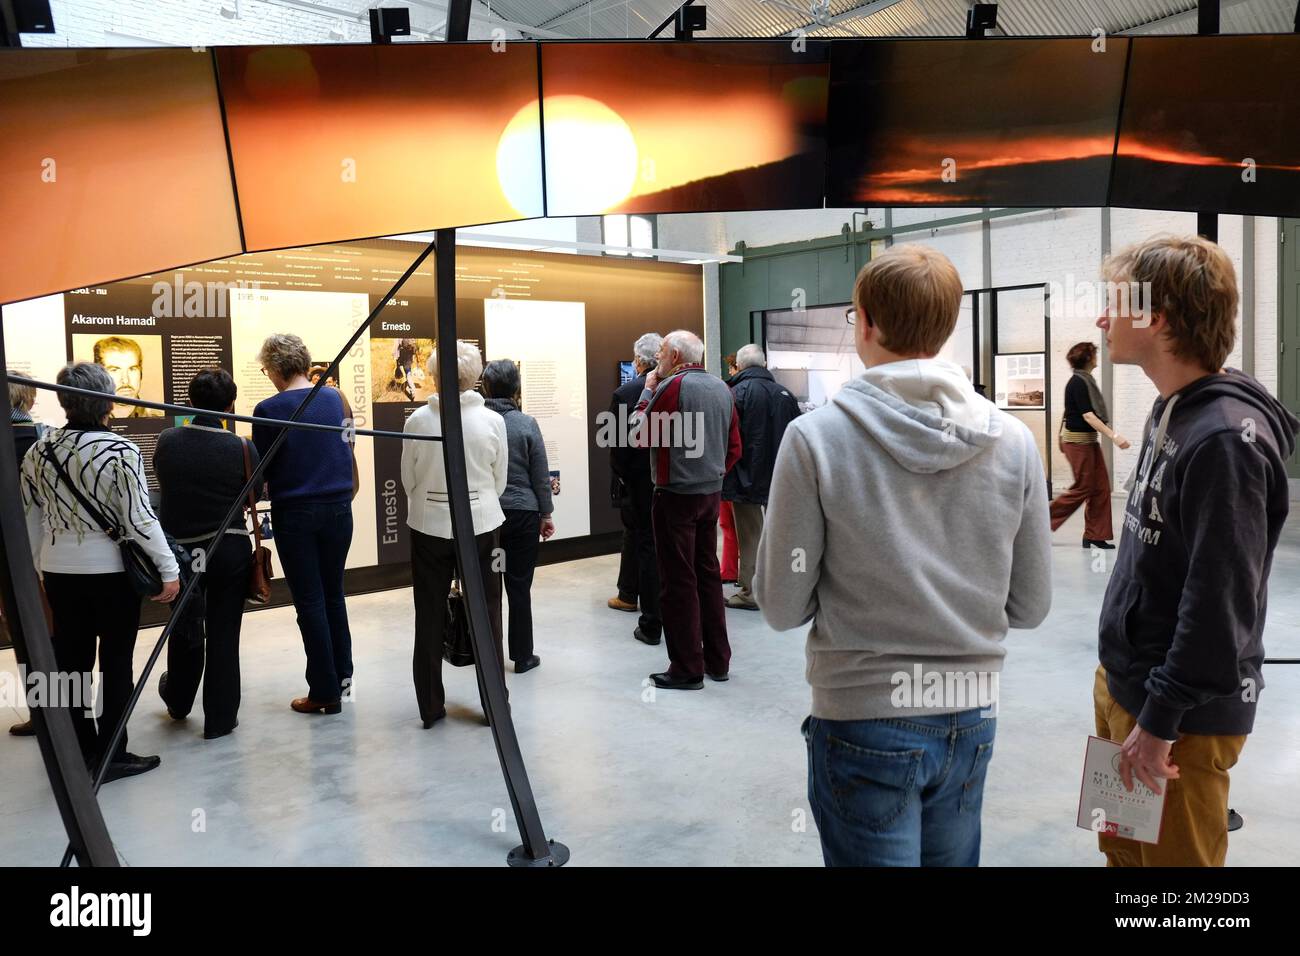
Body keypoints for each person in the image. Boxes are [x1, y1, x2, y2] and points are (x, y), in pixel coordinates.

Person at [754, 244, 1052, 866]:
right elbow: (1030, 605)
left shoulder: (815, 438)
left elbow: (781, 605)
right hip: (970, 712)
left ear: (864, 320)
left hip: (864, 712)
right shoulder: (1015, 441)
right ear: (947, 325)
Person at [1093, 235, 1297, 867]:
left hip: (1178, 720)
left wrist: (1159, 724)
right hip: (1127, 686)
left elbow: (1218, 607)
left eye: (1113, 304)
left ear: (1155, 318)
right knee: (1125, 854)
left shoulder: (1224, 443)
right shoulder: (1171, 408)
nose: (1101, 318)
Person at [20, 362, 180, 781]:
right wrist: (168, 568)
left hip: (59, 570)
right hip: (110, 574)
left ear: (64, 400)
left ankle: (78, 750)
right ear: (108, 401)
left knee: (70, 662)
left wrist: (42, 564)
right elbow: (140, 519)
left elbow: (30, 516)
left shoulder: (41, 450)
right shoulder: (120, 451)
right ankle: (112, 753)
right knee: (115, 662)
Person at [401, 341, 508, 728]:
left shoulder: (417, 421)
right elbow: (500, 480)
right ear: (475, 376)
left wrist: (433, 502)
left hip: (429, 526)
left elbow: (408, 480)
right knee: (488, 613)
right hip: (481, 525)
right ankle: (495, 705)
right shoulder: (493, 421)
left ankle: (430, 706)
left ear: (432, 375)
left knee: (428, 615)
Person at [252, 336, 357, 716]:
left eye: (267, 371)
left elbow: (262, 470)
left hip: (295, 513)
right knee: (333, 595)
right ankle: (343, 681)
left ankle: (324, 691)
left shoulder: (267, 409)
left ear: (277, 369)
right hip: (339, 509)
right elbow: (349, 445)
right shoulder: (333, 398)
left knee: (310, 602)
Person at [153, 368, 260, 739]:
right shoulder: (242, 447)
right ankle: (220, 718)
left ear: (189, 401)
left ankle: (179, 701)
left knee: (185, 627)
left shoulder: (168, 440)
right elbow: (255, 495)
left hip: (181, 553)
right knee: (224, 633)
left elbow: (164, 483)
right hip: (228, 547)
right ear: (231, 404)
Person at [631, 329, 740, 689]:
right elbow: (734, 445)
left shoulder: (670, 388)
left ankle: (686, 668)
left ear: (675, 356)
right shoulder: (723, 388)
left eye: (662, 352)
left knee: (678, 582)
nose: (657, 358)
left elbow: (639, 435)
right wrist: (714, 472)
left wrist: (646, 392)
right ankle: (717, 660)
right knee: (707, 575)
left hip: (675, 494)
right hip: (709, 493)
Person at [483, 358, 554, 674]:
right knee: (519, 586)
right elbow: (540, 475)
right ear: (516, 388)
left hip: (487, 516)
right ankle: (523, 656)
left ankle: (487, 654)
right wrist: (546, 513)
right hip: (523, 515)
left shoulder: (476, 423)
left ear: (485, 386)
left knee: (489, 585)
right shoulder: (526, 424)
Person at [722, 344, 801, 610]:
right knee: (780, 532)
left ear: (741, 367)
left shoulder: (736, 393)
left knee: (750, 534)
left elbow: (727, 438)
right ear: (764, 364)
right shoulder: (785, 394)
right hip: (781, 475)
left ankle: (751, 592)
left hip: (745, 475)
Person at [607, 333, 664, 645]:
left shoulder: (626, 392)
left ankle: (633, 597)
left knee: (641, 540)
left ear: (640, 361)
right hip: (671, 481)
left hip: (638, 481)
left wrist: (622, 477)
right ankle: (636, 596)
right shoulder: (676, 389)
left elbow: (617, 444)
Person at [1049, 342, 1129, 549]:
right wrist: (1114, 436)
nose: (1096, 358)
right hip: (1077, 442)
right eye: (1093, 354)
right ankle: (1039, 522)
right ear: (1087, 358)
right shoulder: (1078, 382)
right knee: (1083, 487)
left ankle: (1095, 534)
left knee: (1101, 487)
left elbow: (1071, 411)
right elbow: (1087, 415)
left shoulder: (1086, 380)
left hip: (1088, 442)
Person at [6, 370, 44, 736]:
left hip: (10, 556)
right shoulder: (43, 438)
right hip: (46, 554)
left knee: (24, 636)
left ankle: (43, 714)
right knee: (53, 634)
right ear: (29, 399)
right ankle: (63, 713)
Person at [92, 336, 163, 418]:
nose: (125, 380)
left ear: (141, 372)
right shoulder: (86, 421)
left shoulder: (158, 418)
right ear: (99, 375)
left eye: (132, 369)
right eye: (115, 370)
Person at [718, 353, 741, 584]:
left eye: (732, 368)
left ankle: (730, 570)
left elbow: (731, 443)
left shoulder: (731, 392)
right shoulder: (779, 393)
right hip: (762, 472)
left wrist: (721, 470)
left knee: (729, 524)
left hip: (733, 472)